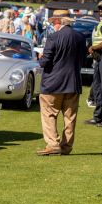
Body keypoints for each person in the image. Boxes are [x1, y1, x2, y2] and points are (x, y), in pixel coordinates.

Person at [36, 10, 87, 155]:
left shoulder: (53, 37)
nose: (53, 24)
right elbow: (83, 60)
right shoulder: (80, 37)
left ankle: (53, 144)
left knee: (49, 114)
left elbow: (44, 61)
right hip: (73, 82)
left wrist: (40, 56)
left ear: (58, 21)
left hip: (53, 83)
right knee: (70, 117)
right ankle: (66, 146)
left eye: (54, 21)